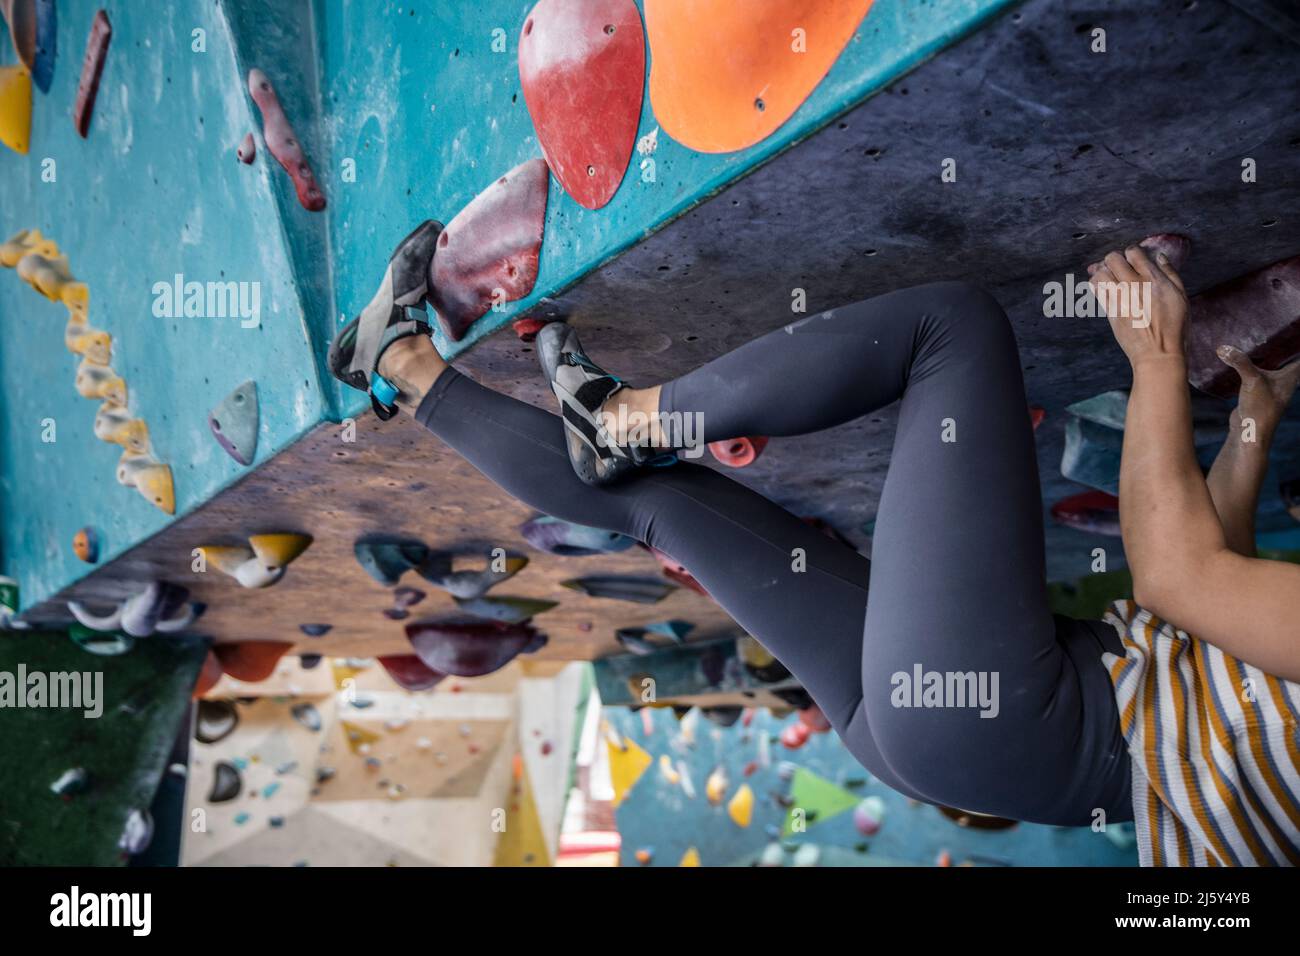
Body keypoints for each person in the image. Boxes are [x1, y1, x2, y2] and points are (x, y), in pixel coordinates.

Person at [329, 224, 1298, 864]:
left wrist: (1158, 356)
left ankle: (622, 414)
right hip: (952, 748)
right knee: (657, 507)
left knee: (949, 330)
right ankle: (395, 357)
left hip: (1014, 713)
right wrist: (1250, 418)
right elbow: (1223, 620)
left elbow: (1179, 578)